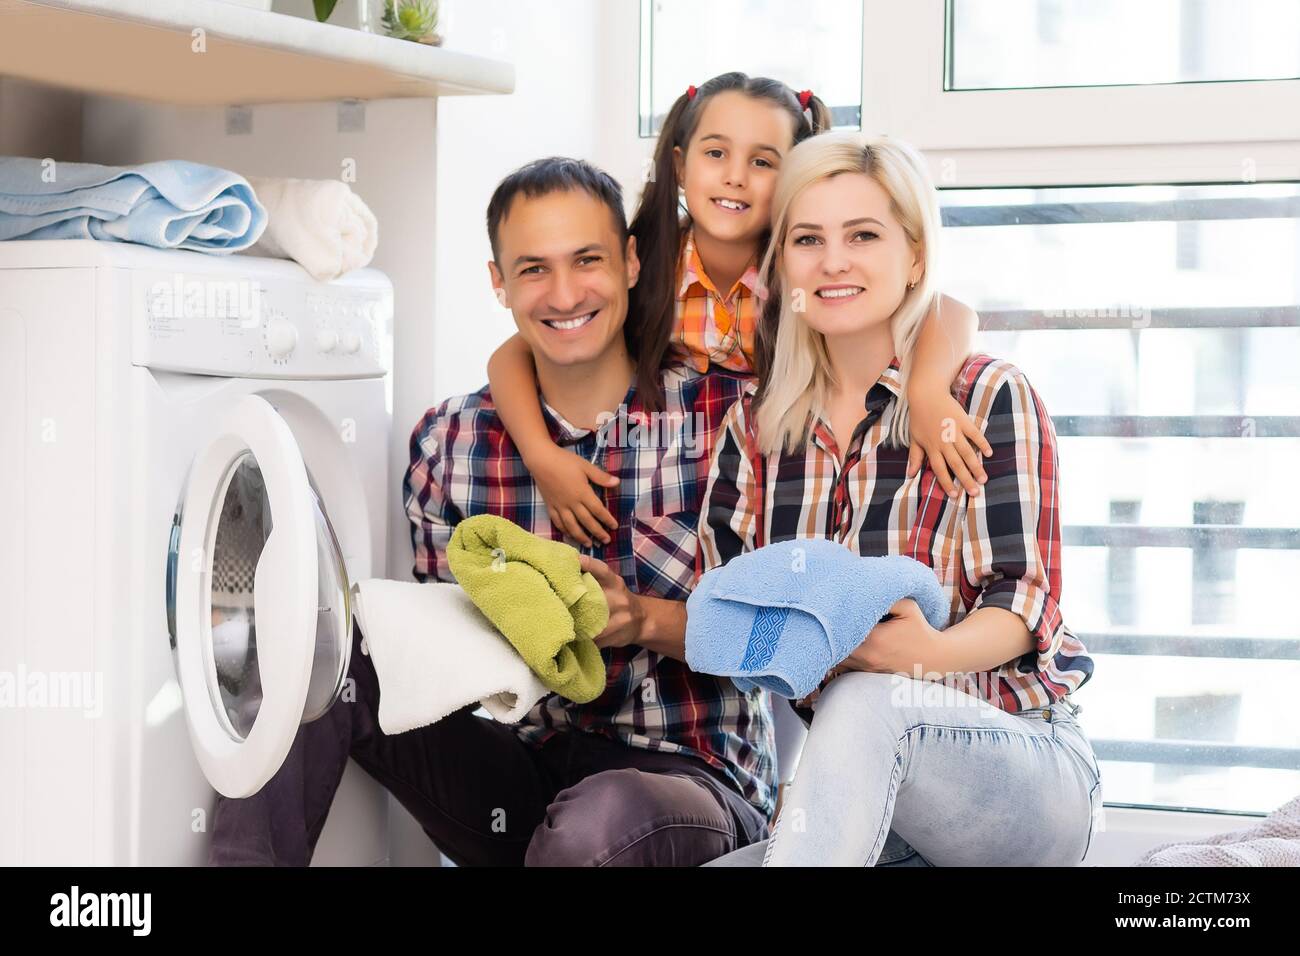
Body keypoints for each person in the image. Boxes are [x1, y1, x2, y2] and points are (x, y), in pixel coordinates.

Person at [207, 156, 774, 866]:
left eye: (587, 260)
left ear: (631, 263)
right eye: (533, 269)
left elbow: (778, 640)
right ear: (498, 283)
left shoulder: (724, 419)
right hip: (524, 774)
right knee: (325, 649)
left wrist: (643, 621)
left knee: (597, 822)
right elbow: (443, 649)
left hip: (688, 780)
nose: (564, 293)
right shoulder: (452, 442)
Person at [699, 132, 1100, 867]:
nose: (833, 261)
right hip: (864, 794)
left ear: (914, 255)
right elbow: (737, 618)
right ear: (780, 263)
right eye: (808, 238)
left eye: (864, 235)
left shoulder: (982, 395)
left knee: (867, 698)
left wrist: (930, 653)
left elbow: (1025, 605)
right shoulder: (754, 434)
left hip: (1020, 768)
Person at [486, 72, 991, 550]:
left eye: (763, 162)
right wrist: (541, 454)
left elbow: (945, 309)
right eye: (716, 153)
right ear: (681, 166)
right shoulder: (649, 265)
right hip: (676, 463)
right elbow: (515, 354)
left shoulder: (806, 267)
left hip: (776, 471)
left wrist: (924, 391)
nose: (735, 178)